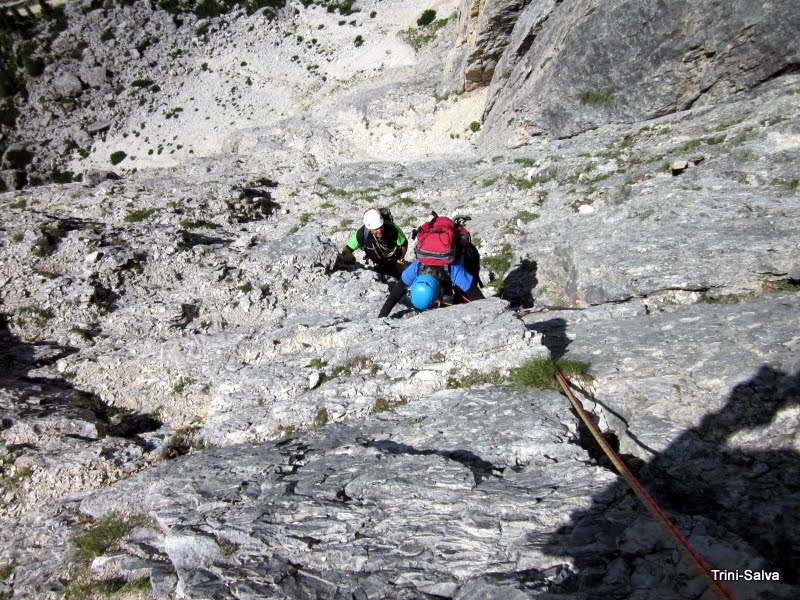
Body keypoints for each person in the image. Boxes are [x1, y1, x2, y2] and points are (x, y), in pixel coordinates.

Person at [378, 254, 484, 318]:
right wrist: (381, 319)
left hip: (466, 263)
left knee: (461, 301)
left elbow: (480, 300)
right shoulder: (416, 267)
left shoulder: (455, 270)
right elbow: (394, 296)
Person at [339, 208, 408, 278]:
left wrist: (400, 260)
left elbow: (404, 243)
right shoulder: (362, 234)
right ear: (369, 228)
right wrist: (348, 254)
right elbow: (347, 248)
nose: (380, 231)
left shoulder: (393, 229)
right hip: (378, 262)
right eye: (376, 229)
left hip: (394, 261)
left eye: (381, 227)